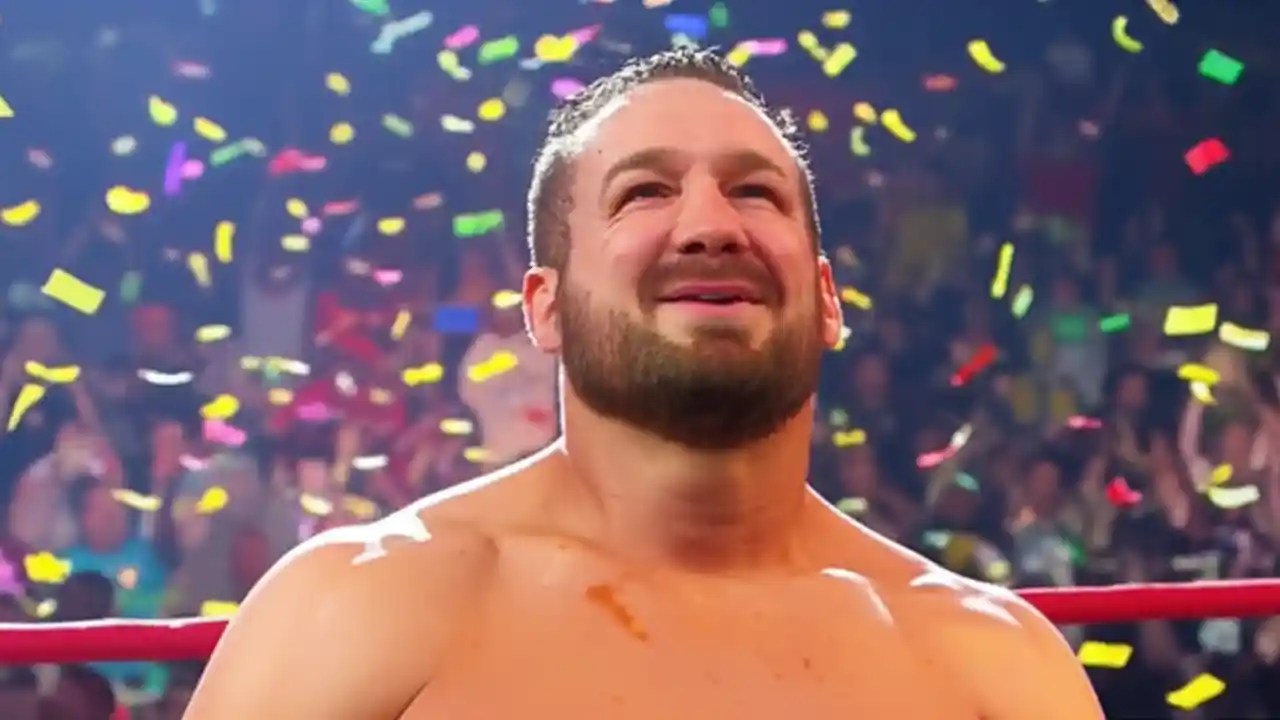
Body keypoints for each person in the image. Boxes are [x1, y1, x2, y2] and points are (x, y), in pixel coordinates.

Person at [186, 48, 1102, 719]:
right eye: (643, 193)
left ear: (826, 298)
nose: (710, 225)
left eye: (755, 193)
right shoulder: (357, 608)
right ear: (544, 308)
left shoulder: (991, 658)